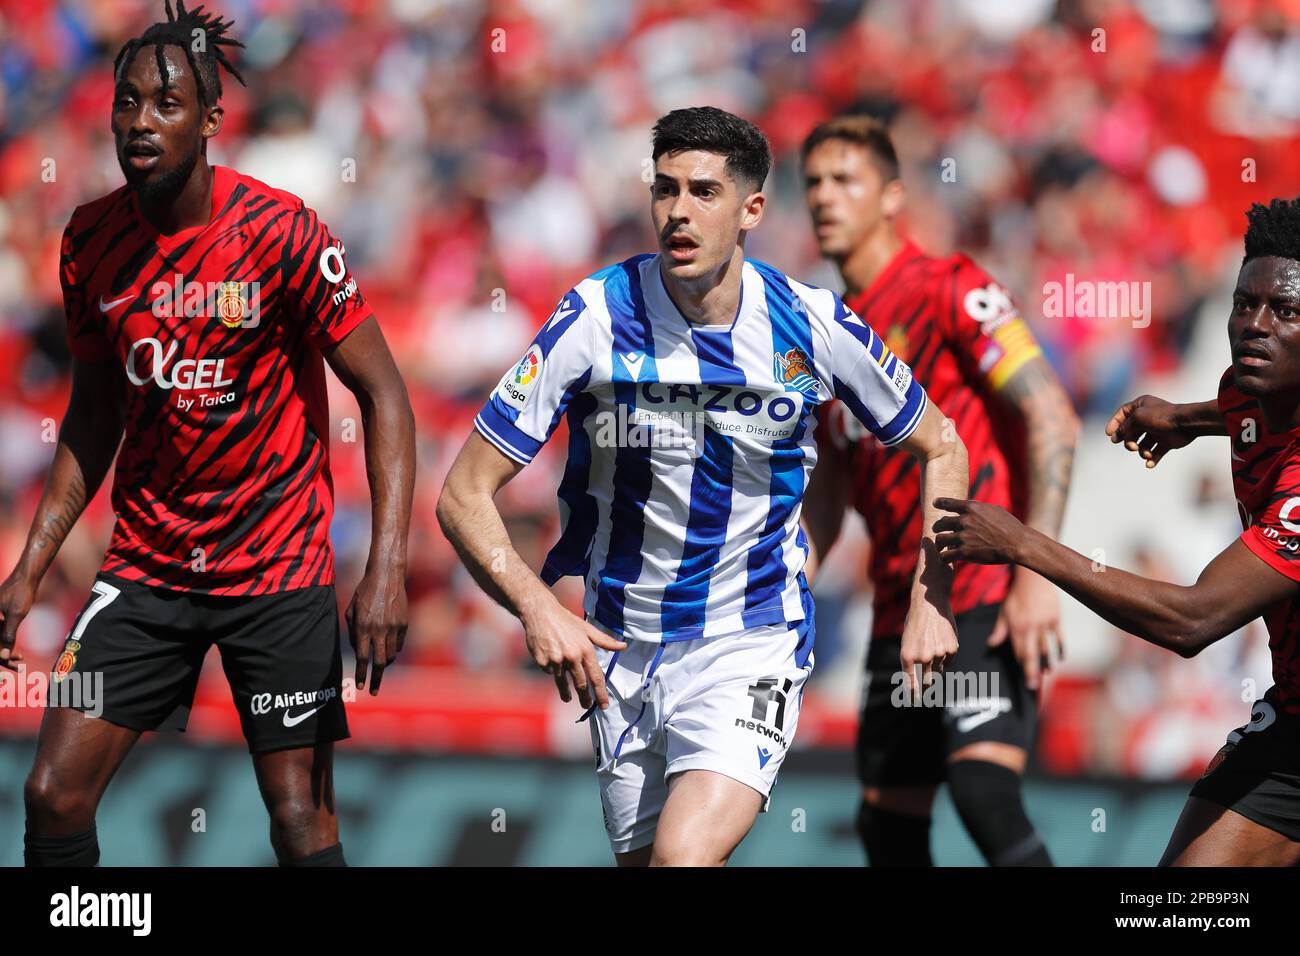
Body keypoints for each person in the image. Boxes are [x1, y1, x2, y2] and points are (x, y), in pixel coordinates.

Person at [437, 106, 967, 866]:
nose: (679, 211)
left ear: (752, 209)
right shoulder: (593, 318)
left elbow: (942, 444)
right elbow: (462, 492)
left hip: (748, 639)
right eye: (665, 189)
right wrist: (534, 605)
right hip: (618, 649)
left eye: (704, 193)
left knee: (681, 862)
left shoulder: (810, 323)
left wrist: (930, 596)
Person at [0, 0, 416, 867]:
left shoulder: (280, 231)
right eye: (126, 103)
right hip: (146, 565)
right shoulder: (88, 242)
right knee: (51, 794)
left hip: (277, 561)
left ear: (212, 120)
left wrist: (383, 568)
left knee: (298, 817)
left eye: (166, 104)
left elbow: (384, 392)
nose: (140, 123)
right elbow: (93, 412)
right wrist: (29, 568)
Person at [933, 197, 1300, 865]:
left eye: (1286, 312)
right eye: (1244, 304)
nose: (1255, 326)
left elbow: (1193, 620)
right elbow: (1239, 410)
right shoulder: (1253, 389)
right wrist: (1181, 419)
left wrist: (1024, 545)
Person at [800, 116, 1078, 866]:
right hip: (898, 612)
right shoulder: (823, 337)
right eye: (814, 183)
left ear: (891, 195)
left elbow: (1052, 415)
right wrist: (783, 584)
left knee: (983, 795)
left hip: (983, 592)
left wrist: (1034, 573)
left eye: (845, 180)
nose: (825, 197)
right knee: (887, 831)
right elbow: (826, 492)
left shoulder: (955, 287)